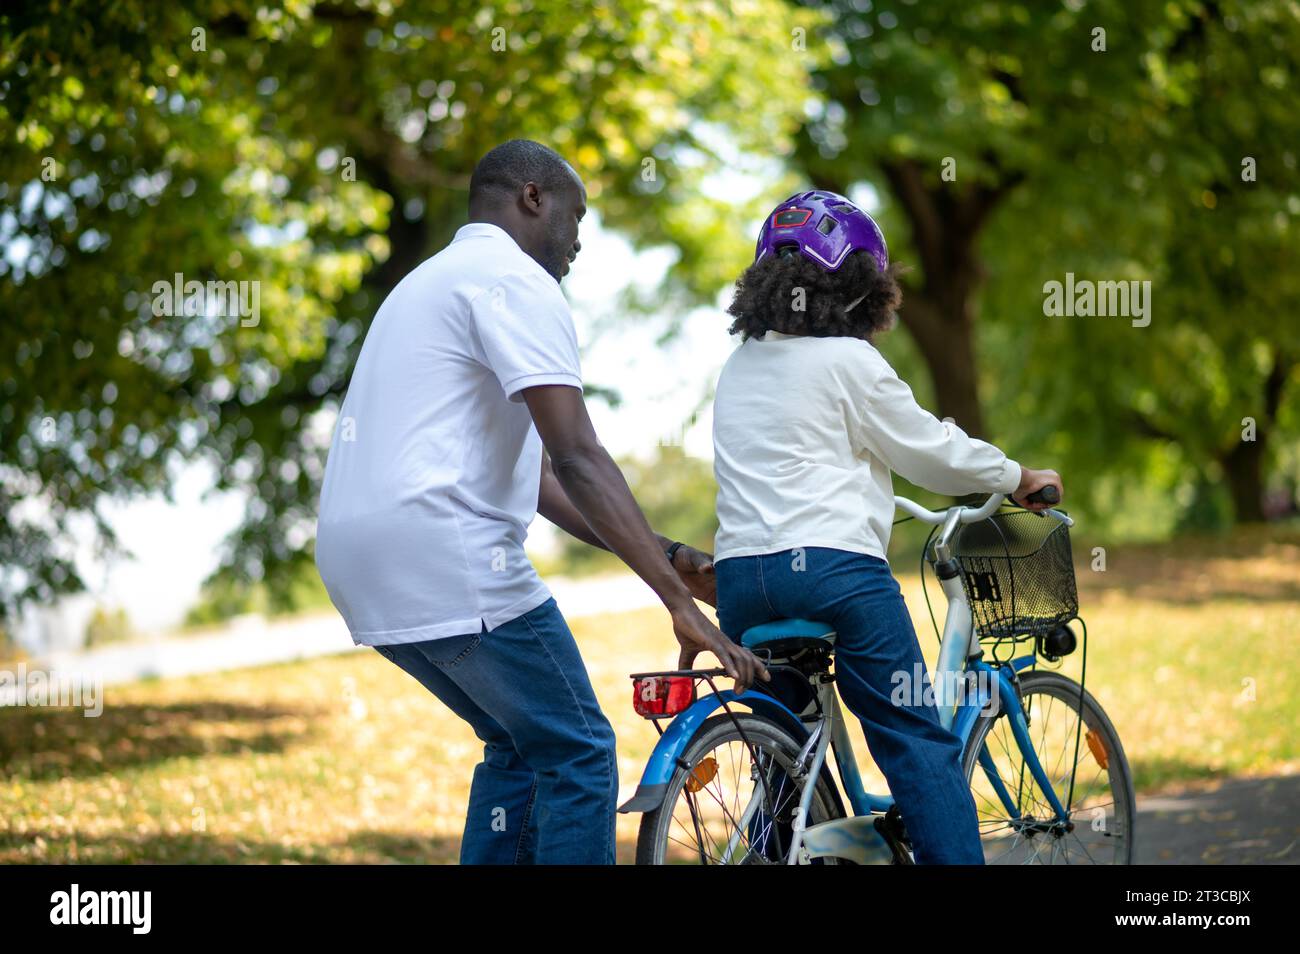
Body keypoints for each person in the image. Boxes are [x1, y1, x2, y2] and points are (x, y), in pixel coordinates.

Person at [314, 139, 767, 865]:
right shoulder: (516, 283)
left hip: (359, 562)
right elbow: (579, 456)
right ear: (533, 197)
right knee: (580, 749)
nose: (581, 240)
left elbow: (543, 484)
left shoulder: (430, 283)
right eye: (577, 216)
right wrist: (678, 604)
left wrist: (672, 561)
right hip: (444, 550)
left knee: (521, 746)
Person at [710, 190, 1062, 864]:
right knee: (912, 737)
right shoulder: (849, 361)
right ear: (857, 284)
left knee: (783, 760)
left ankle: (781, 843)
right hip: (835, 575)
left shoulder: (739, 365)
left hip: (743, 583)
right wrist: (1014, 476)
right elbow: (929, 450)